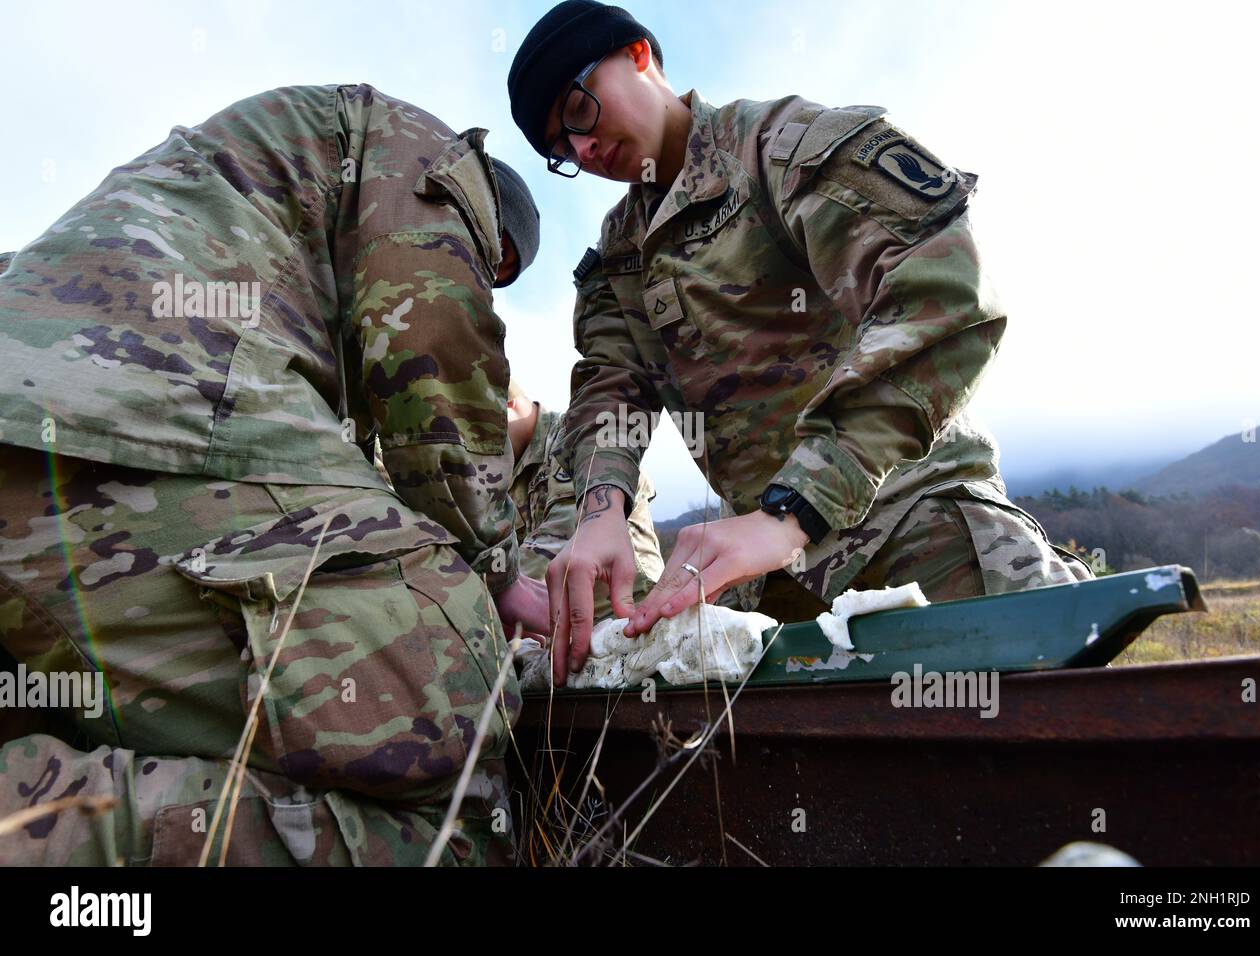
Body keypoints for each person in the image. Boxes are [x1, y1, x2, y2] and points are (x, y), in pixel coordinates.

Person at [0, 83, 548, 865]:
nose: (482, 281)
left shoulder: (258, 186)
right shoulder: (423, 150)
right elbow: (434, 341)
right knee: (459, 723)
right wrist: (493, 571)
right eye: (492, 269)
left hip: (70, 420)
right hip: (139, 414)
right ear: (489, 227)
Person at [507, 1, 1094, 685]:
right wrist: (601, 511)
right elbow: (612, 384)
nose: (582, 149)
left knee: (1045, 745)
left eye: (578, 112)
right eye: (559, 150)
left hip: (916, 532)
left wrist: (794, 510)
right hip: (770, 587)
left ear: (639, 56)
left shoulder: (781, 150)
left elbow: (945, 287)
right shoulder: (618, 258)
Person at [507, 379, 663, 623]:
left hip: (630, 619)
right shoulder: (502, 474)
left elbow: (565, 532)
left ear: (506, 404)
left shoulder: (576, 438)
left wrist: (486, 599)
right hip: (561, 628)